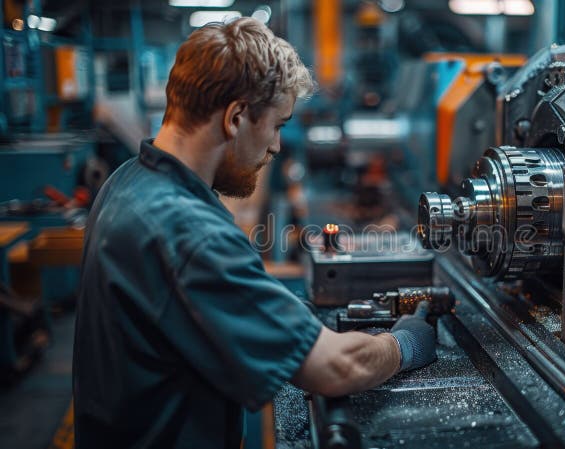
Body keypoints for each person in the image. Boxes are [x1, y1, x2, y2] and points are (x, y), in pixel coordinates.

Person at [73, 17, 436, 449]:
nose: (277, 146)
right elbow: (338, 368)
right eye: (278, 125)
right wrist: (407, 342)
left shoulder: (126, 181)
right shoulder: (191, 233)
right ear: (237, 117)